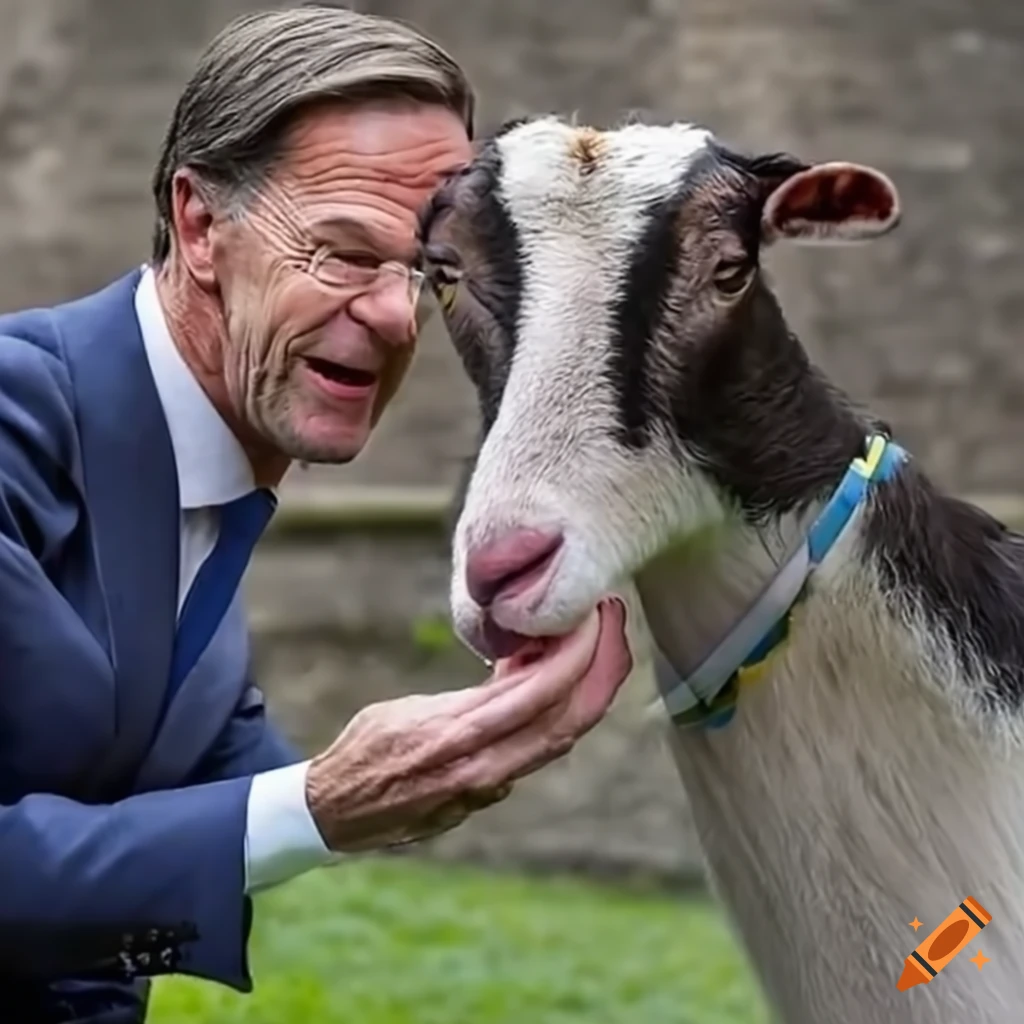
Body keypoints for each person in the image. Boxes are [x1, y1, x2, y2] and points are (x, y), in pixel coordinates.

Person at [0, 6, 633, 1023]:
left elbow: (201, 822)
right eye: (343, 253)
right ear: (202, 225)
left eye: (426, 273)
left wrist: (479, 731)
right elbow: (276, 811)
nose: (394, 316)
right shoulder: (16, 424)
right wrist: (321, 806)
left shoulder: (203, 489)